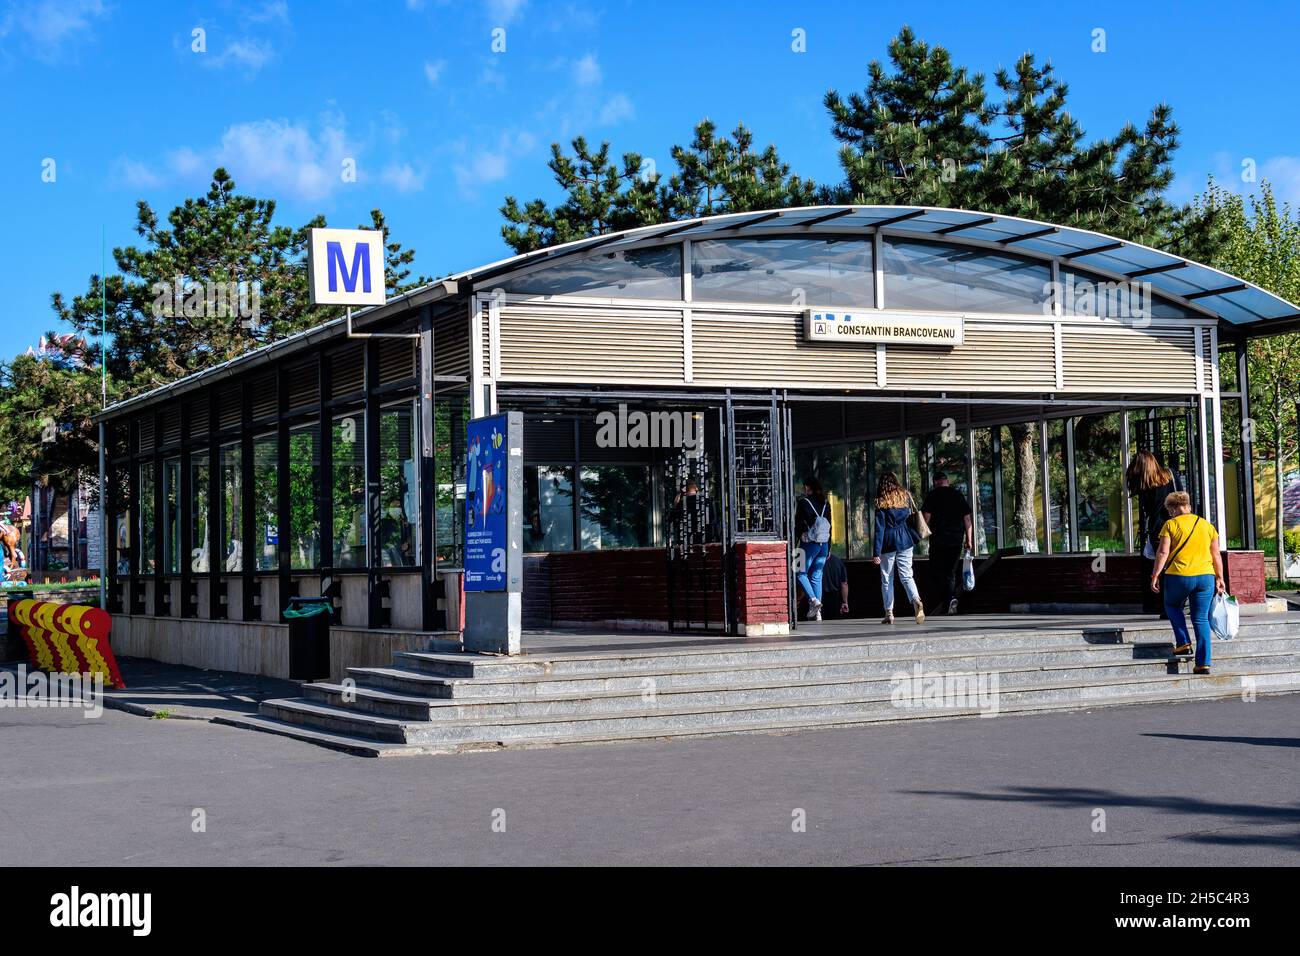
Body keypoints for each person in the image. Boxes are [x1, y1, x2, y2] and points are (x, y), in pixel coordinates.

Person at [1149, 491, 1224, 675]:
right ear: (1188, 506)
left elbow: (1162, 553)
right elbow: (1215, 554)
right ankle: (1203, 664)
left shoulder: (1170, 524)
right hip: (1206, 577)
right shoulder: (1207, 525)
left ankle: (1183, 643)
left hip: (1179, 575)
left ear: (1173, 508)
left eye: (1169, 509)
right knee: (1201, 619)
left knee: (1172, 605)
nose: (1169, 513)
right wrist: (1220, 577)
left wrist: (1155, 575)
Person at [1126, 450, 1178, 614]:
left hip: (1158, 530)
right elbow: (1183, 497)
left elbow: (1148, 510)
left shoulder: (1144, 485)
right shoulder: (1170, 474)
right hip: (1176, 527)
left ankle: (1166, 607)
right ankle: (1180, 602)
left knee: (1162, 567)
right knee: (1176, 565)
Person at [872, 471, 924, 624]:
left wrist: (876, 552)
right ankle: (915, 598)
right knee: (907, 574)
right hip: (906, 539)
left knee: (887, 578)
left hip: (888, 542)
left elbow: (879, 529)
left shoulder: (881, 501)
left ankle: (889, 613)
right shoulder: (905, 496)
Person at [921, 471, 973, 615]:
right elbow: (967, 520)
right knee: (950, 572)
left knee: (936, 571)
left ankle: (943, 601)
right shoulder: (958, 495)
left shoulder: (932, 496)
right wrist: (968, 540)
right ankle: (949, 599)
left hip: (938, 540)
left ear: (935, 482)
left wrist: (919, 535)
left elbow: (925, 518)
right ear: (947, 481)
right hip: (956, 540)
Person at [794, 476, 832, 620]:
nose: (803, 489)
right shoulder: (825, 503)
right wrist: (829, 547)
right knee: (816, 576)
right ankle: (818, 614)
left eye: (805, 486)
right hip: (824, 544)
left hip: (808, 543)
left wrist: (796, 540)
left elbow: (798, 524)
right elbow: (830, 525)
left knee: (799, 572)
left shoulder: (803, 502)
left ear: (808, 487)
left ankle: (813, 600)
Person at [820, 552, 850, 619]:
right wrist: (845, 602)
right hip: (835, 598)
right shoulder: (839, 562)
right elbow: (844, 584)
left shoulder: (816, 562)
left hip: (820, 596)